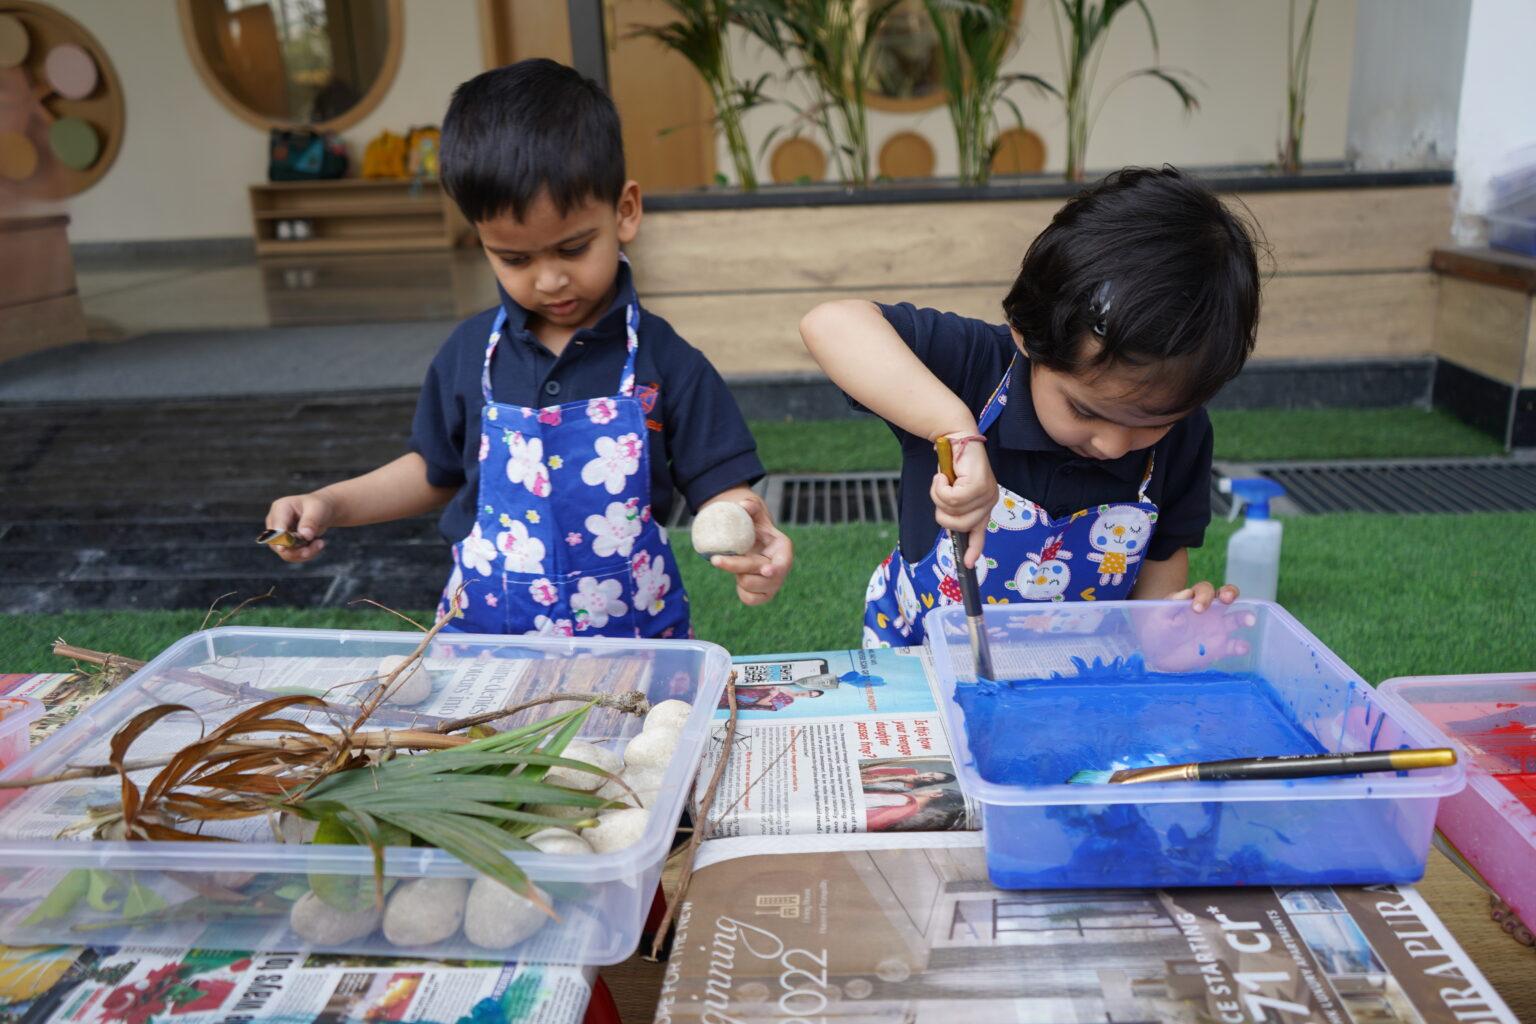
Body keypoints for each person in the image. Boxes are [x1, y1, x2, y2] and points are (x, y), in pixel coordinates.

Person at [264, 59, 792, 637]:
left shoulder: (667, 360)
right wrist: (331, 503)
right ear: (481, 240)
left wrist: (751, 535)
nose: (549, 280)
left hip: (635, 641)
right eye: (515, 258)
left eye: (573, 248)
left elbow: (722, 488)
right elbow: (433, 470)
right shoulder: (470, 353)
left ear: (625, 211)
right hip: (487, 641)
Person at [800, 167, 1259, 650]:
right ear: (1027, 334)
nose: (1113, 444)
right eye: (1084, 411)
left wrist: (1167, 636)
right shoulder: (973, 367)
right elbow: (831, 324)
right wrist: (954, 430)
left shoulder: (1184, 433)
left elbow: (1160, 566)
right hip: (917, 654)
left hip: (1071, 671)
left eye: (1153, 423)